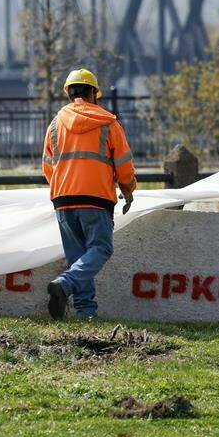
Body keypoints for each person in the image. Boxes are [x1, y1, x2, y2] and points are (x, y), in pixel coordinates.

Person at [41, 68, 137, 320]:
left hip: (63, 199)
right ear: (94, 93)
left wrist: (63, 187)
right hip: (95, 198)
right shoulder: (108, 123)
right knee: (101, 249)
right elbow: (124, 164)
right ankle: (65, 284)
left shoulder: (55, 124)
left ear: (69, 93)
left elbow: (48, 166)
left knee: (78, 257)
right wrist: (128, 190)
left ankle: (85, 312)